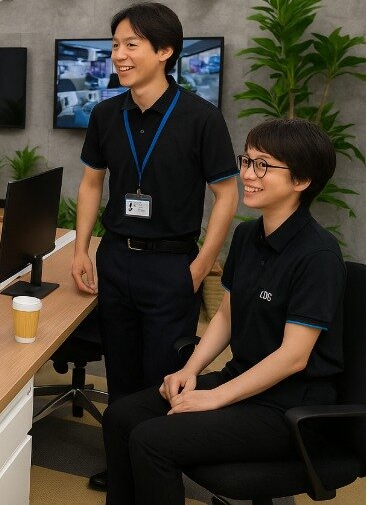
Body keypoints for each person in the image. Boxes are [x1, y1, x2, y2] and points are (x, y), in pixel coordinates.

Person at [102, 118, 345, 504]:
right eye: (246, 161)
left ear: (301, 180)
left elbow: (294, 357)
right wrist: (189, 370)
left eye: (263, 165)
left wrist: (215, 397)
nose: (247, 174)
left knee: (152, 440)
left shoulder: (318, 255)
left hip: (289, 407)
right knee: (121, 416)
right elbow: (226, 316)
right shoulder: (247, 236)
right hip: (241, 380)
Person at [70, 3, 239, 489]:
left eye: (131, 45)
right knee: (119, 372)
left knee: (163, 376)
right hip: (116, 257)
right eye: (115, 45)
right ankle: (122, 469)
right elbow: (91, 183)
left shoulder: (201, 117)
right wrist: (81, 250)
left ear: (165, 51)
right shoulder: (106, 114)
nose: (118, 55)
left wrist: (201, 265)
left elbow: (226, 194)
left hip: (172, 264)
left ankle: (156, 472)